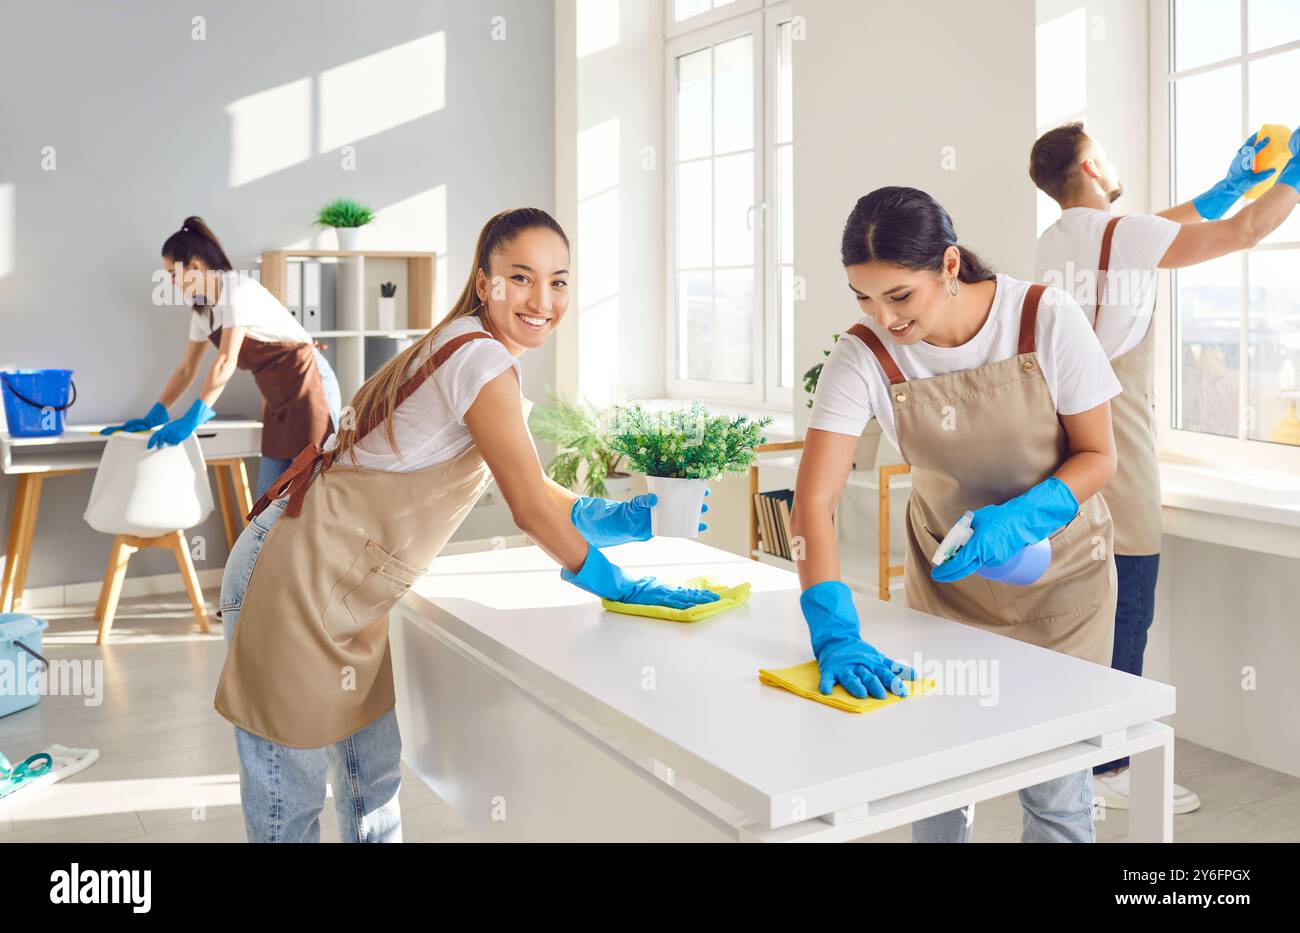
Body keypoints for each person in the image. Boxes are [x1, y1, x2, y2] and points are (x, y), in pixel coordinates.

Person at [213, 207, 718, 842]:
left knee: (372, 792)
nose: (543, 299)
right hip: (289, 584)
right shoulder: (477, 360)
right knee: (291, 813)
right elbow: (529, 508)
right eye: (522, 277)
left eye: (559, 280)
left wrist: (623, 519)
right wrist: (615, 583)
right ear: (485, 283)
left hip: (342, 590)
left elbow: (533, 485)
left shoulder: (475, 350)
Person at [794, 186, 1122, 843]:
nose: (882, 317)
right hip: (946, 590)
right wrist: (832, 625)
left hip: (1062, 588)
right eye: (863, 296)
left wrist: (1028, 515)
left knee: (1056, 791)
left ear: (948, 266)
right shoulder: (865, 355)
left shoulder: (1043, 316)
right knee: (937, 783)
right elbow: (814, 499)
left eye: (899, 296)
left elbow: (1099, 454)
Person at [1031, 122, 1300, 814]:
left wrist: (1227, 186)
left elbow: (1153, 231)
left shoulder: (1061, 239)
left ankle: (1075, 749)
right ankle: (1110, 763)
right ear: (1092, 163)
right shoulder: (1119, 236)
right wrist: (1293, 175)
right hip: (1115, 434)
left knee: (1083, 600)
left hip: (1060, 433)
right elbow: (1242, 235)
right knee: (1130, 599)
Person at [102, 216, 342, 500]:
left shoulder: (237, 289)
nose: (171, 282)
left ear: (194, 266)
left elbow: (226, 360)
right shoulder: (203, 312)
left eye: (172, 273)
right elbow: (186, 369)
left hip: (310, 387)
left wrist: (194, 416)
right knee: (268, 501)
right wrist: (158, 411)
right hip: (278, 402)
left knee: (309, 496)